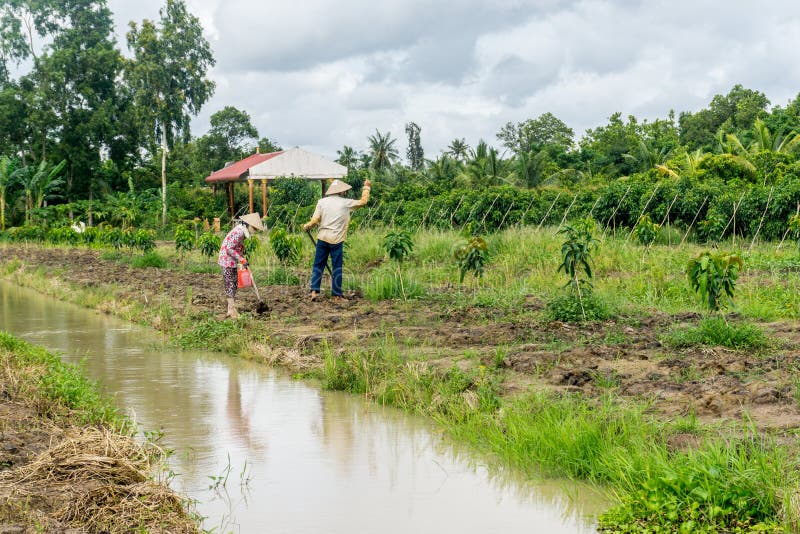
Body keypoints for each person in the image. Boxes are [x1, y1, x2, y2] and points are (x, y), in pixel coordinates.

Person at [302, 178, 371, 302]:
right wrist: (366, 187)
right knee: (337, 267)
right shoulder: (345, 203)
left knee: (318, 265)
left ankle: (313, 292)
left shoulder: (321, 202)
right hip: (336, 240)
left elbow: (315, 220)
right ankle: (336, 295)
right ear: (341, 192)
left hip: (322, 238)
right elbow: (363, 202)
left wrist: (307, 226)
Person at [218, 212, 264, 318]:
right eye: (254, 228)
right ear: (248, 224)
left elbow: (237, 247)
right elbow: (229, 249)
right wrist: (241, 259)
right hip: (227, 260)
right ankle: (231, 311)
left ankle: (231, 310)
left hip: (231, 260)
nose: (255, 231)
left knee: (233, 285)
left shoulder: (241, 231)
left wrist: (242, 259)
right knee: (230, 285)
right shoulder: (239, 232)